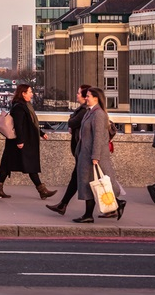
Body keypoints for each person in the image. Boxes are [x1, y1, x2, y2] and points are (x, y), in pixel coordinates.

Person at [73, 87, 126, 223]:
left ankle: (90, 214)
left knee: (94, 184)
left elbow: (98, 137)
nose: (86, 98)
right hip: (86, 154)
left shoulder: (98, 114)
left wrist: (95, 156)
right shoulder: (90, 112)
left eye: (88, 96)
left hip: (92, 156)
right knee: (90, 185)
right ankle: (91, 213)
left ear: (96, 98)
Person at [0, 84, 55, 200]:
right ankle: (42, 191)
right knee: (27, 164)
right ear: (23, 93)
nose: (32, 94)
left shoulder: (24, 105)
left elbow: (30, 124)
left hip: (19, 141)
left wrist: (41, 133)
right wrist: (20, 141)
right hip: (20, 141)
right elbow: (18, 125)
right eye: (30, 92)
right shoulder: (19, 107)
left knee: (9, 164)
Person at [46, 85, 91, 216]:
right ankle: (62, 205)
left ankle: (116, 204)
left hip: (84, 150)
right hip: (80, 150)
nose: (77, 95)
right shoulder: (83, 110)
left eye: (79, 93)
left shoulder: (84, 111)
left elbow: (72, 122)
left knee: (80, 178)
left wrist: (72, 123)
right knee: (80, 178)